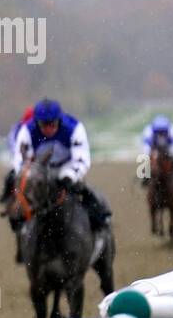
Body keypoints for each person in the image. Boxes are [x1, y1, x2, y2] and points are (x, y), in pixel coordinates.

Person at [11, 98, 112, 231]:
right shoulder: (27, 131)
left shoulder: (74, 128)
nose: (48, 129)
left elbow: (81, 159)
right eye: (43, 124)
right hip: (38, 170)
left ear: (59, 120)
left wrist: (69, 176)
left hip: (67, 166)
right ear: (37, 122)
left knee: (80, 188)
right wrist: (28, 175)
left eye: (52, 124)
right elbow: (21, 160)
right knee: (16, 190)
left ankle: (99, 219)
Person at [0, 105, 35, 205]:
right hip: (20, 157)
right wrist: (20, 155)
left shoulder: (37, 128)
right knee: (11, 176)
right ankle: (6, 196)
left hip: (36, 159)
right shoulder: (18, 128)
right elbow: (12, 142)